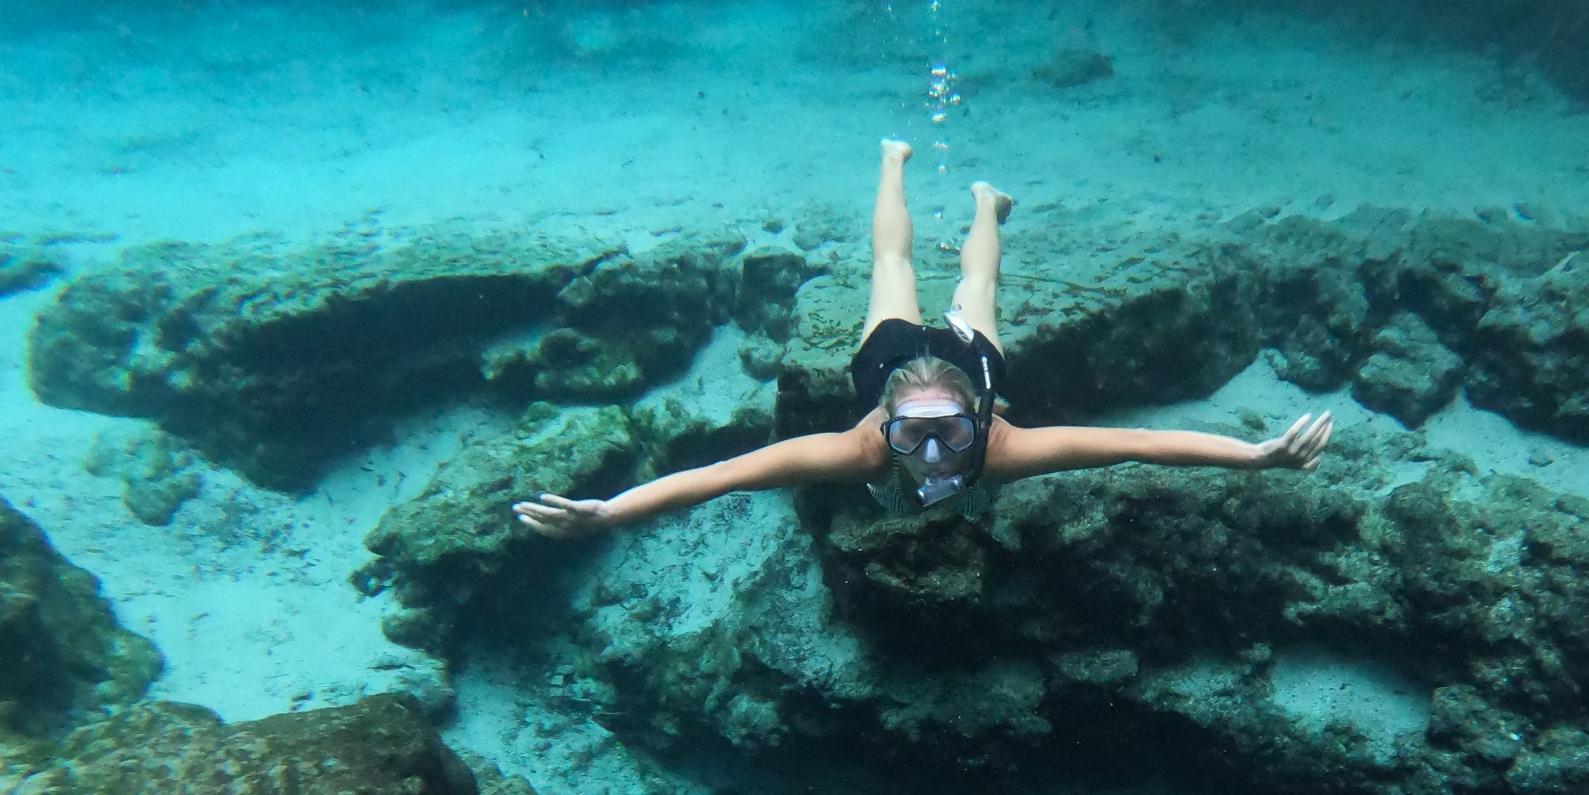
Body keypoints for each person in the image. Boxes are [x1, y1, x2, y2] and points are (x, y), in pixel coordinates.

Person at [513, 140, 1332, 539]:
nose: (936, 456)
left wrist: (1254, 458)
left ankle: (985, 202)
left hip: (962, 361)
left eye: (946, 436)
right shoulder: (861, 448)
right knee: (894, 263)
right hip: (897, 362)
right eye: (915, 437)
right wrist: (611, 511)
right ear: (883, 425)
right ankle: (894, 159)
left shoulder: (997, 444)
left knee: (973, 286)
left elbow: (1140, 444)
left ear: (982, 417)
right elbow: (721, 477)